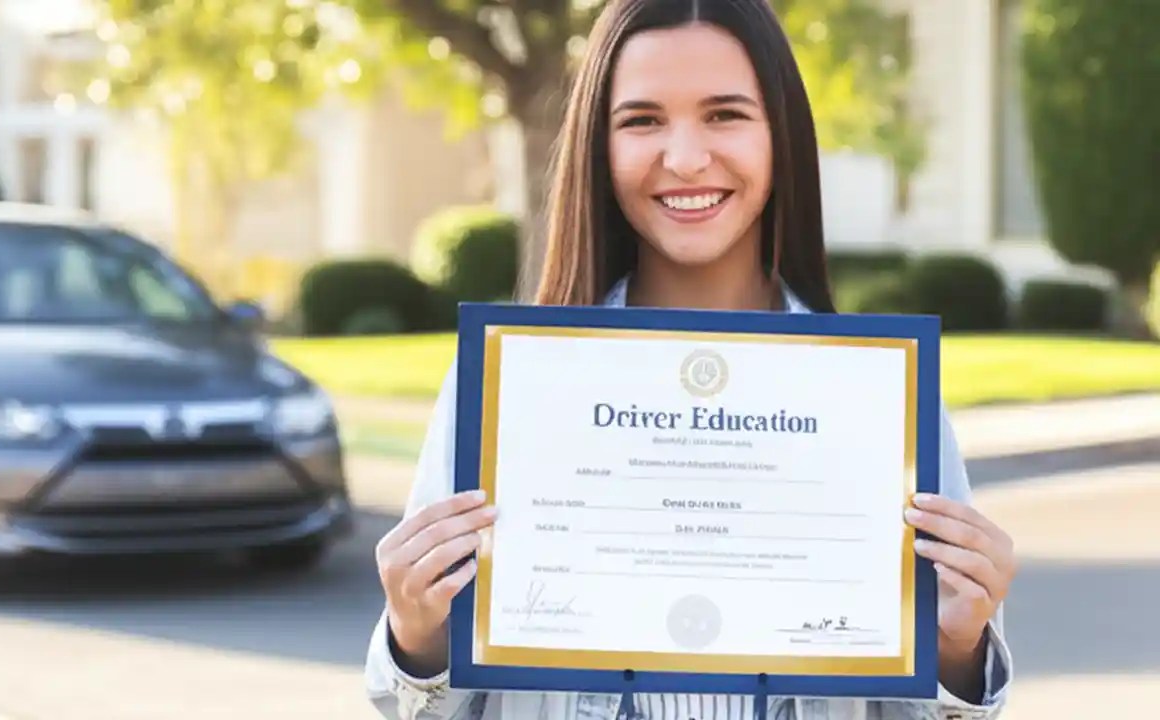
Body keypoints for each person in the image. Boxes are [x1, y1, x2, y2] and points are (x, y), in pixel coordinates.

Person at [364, 0, 1017, 717]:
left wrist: (957, 652)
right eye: (642, 120)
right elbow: (419, 707)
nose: (683, 158)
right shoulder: (507, 391)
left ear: (782, 135)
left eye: (725, 115)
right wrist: (417, 636)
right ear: (598, 145)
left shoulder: (880, 401)